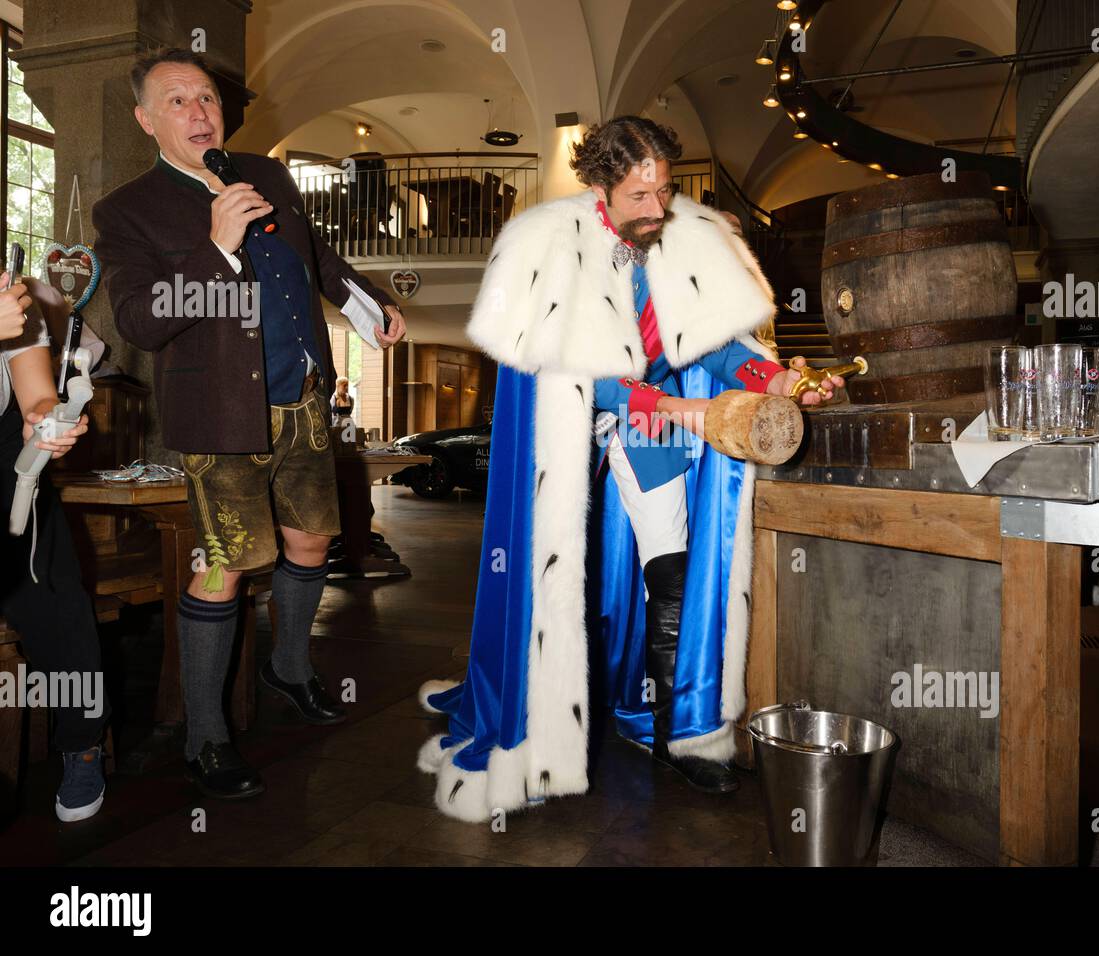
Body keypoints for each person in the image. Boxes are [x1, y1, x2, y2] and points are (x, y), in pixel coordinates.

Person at [418, 117, 842, 821]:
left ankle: (677, 735)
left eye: (664, 192)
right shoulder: (556, 246)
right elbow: (585, 371)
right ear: (600, 186)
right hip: (566, 422)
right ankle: (532, 726)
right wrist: (672, 404)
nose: (655, 209)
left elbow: (710, 346)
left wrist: (779, 382)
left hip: (646, 421)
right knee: (548, 569)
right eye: (638, 195)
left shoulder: (677, 242)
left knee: (670, 561)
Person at [92, 49, 405, 800]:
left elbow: (317, 260)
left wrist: (369, 304)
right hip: (222, 417)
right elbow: (139, 321)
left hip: (304, 399)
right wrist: (216, 247)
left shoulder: (267, 175)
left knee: (313, 541)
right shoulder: (127, 210)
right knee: (226, 566)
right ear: (145, 121)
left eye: (206, 97)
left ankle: (289, 665)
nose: (199, 111)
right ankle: (205, 736)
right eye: (177, 102)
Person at [0, 272, 103, 821]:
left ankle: (82, 742)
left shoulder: (13, 299)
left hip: (3, 462)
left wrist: (46, 423)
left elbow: (37, 395)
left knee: (52, 587)